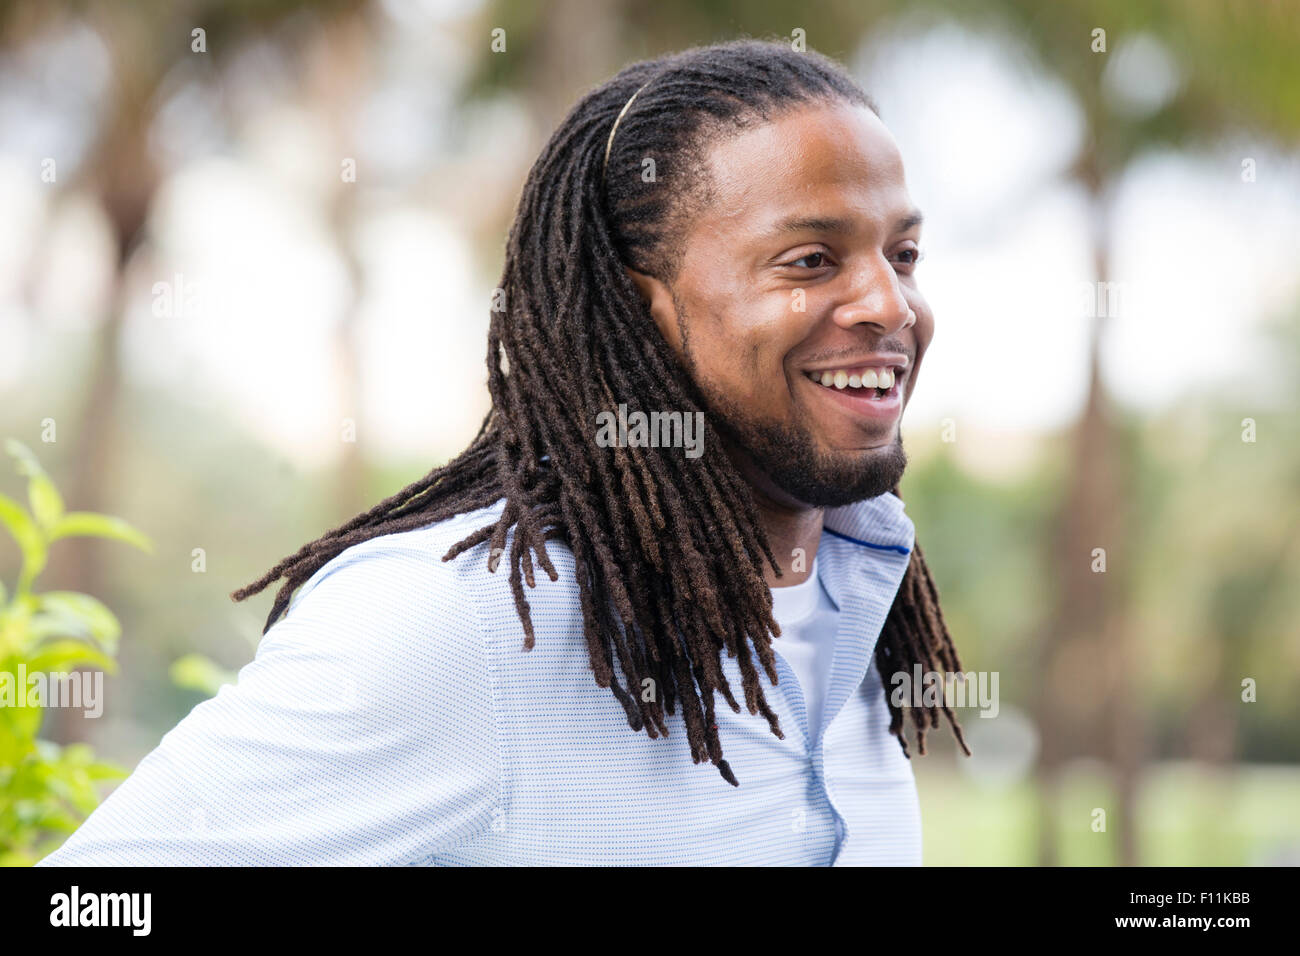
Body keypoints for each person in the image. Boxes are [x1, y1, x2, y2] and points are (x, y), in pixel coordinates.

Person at [39, 37, 968, 868]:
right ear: (638, 307)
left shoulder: (861, 584)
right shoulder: (459, 626)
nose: (891, 305)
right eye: (810, 260)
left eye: (904, 255)